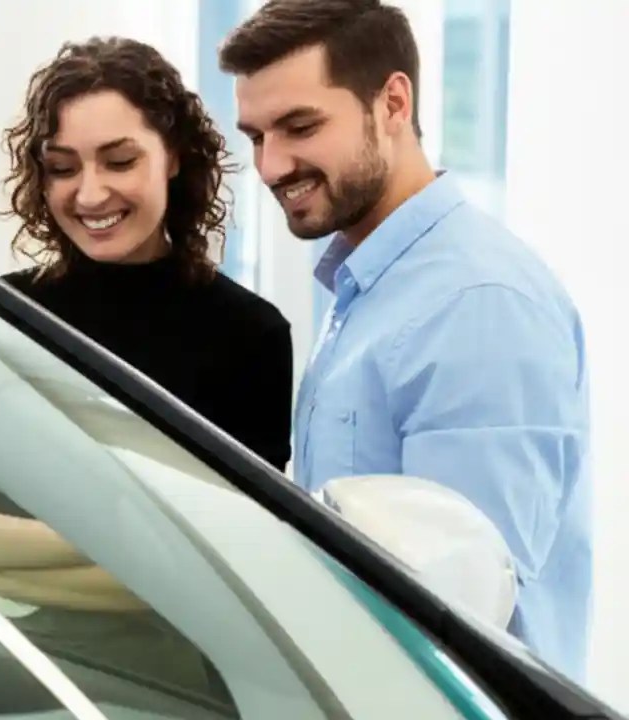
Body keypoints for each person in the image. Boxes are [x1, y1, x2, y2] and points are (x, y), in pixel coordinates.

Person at [0, 36, 292, 705]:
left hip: (163, 690)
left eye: (119, 160)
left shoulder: (248, 336)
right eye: (63, 166)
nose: (89, 192)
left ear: (176, 159)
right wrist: (136, 547)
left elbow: (217, 579)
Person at [219, 0, 592, 681]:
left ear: (392, 103)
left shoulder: (475, 305)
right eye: (255, 136)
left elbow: (460, 620)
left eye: (300, 126)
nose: (270, 166)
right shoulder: (374, 288)